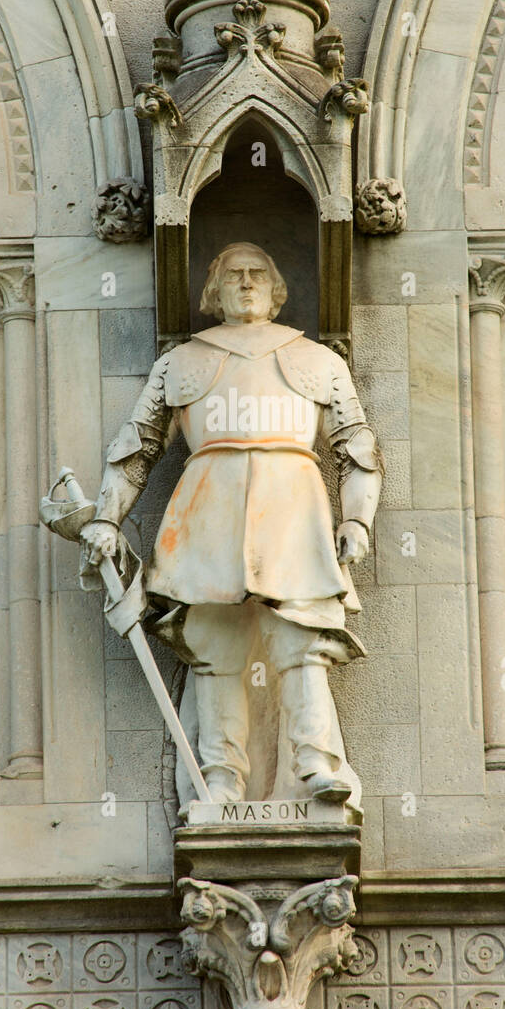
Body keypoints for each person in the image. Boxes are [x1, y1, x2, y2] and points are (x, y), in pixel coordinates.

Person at [80, 242, 383, 806]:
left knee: (301, 640)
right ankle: (221, 778)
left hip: (293, 510)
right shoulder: (181, 362)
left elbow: (357, 451)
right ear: (213, 292)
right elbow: (137, 448)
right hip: (206, 513)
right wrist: (105, 516)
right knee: (215, 649)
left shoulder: (319, 361)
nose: (247, 283)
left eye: (258, 274)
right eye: (234, 275)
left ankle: (316, 766)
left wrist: (357, 521)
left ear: (277, 289)